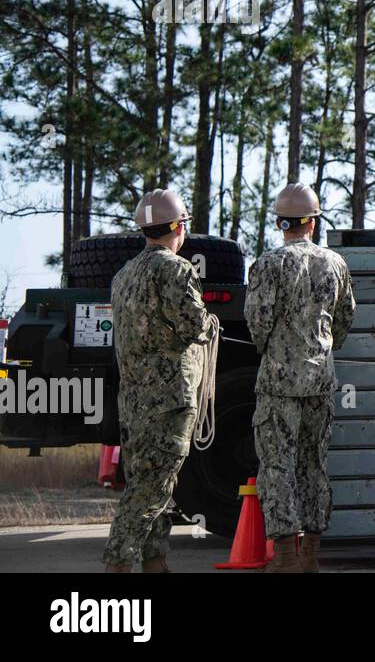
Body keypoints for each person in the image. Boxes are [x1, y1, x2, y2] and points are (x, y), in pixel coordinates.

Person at [103, 189, 218, 572]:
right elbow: (194, 325)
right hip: (169, 399)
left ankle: (156, 564)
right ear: (176, 226)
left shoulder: (123, 276)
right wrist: (208, 320)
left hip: (134, 400)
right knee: (152, 489)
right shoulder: (176, 269)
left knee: (153, 483)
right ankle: (117, 565)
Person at [245, 182, 355, 572]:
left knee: (278, 466)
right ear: (313, 221)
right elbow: (343, 322)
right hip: (320, 382)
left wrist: (275, 349)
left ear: (281, 222)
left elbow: (257, 323)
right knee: (313, 465)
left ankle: (287, 556)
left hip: (278, 383)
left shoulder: (268, 264)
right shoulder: (335, 264)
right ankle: (310, 557)